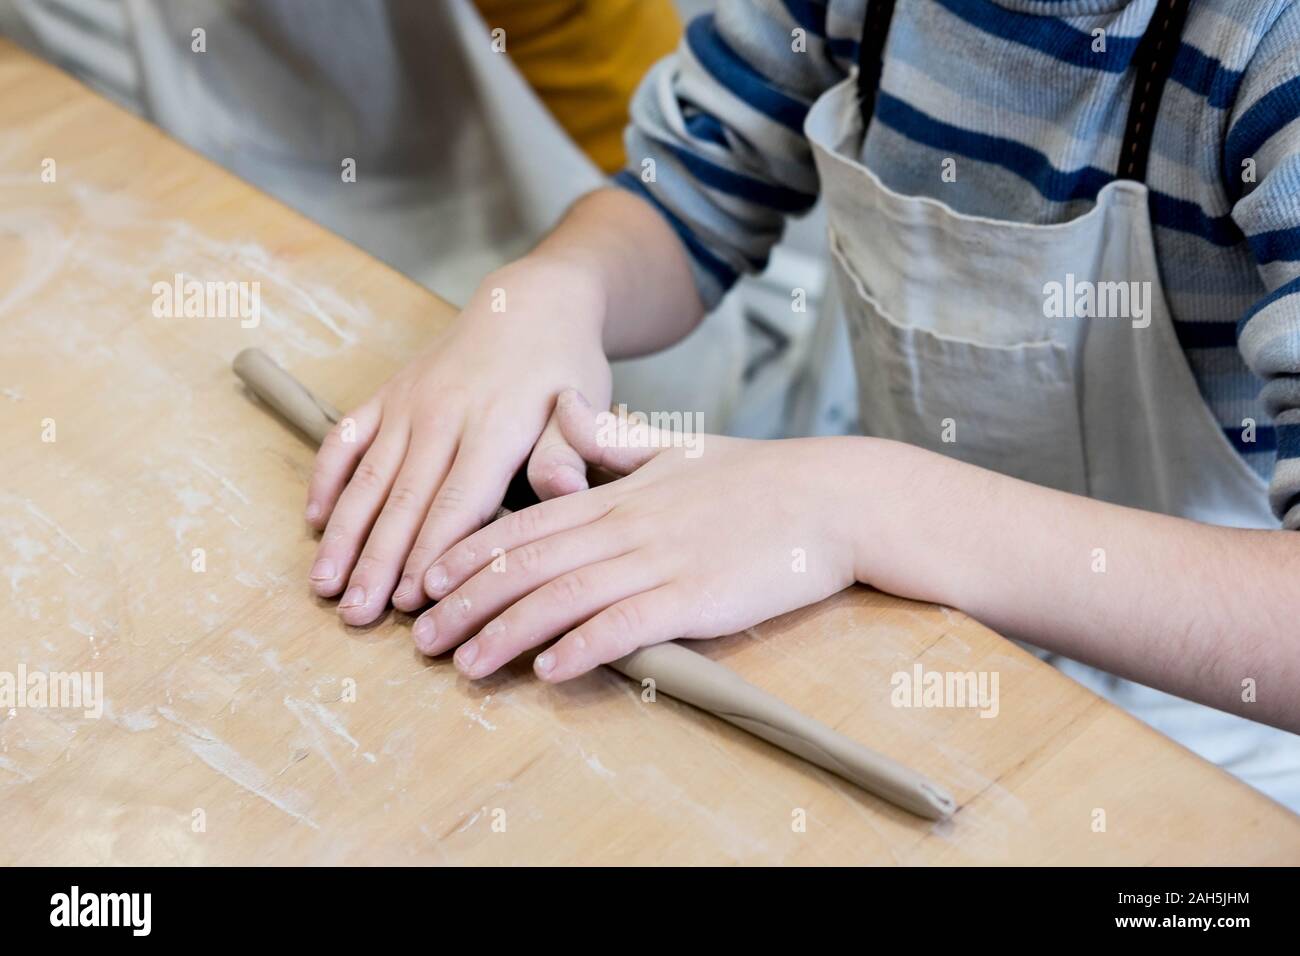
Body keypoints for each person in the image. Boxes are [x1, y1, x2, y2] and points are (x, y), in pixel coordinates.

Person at [303, 0, 1300, 808]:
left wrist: (864, 504)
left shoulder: (1270, 54)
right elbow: (688, 185)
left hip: (1192, 743)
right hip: (897, 638)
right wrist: (558, 290)